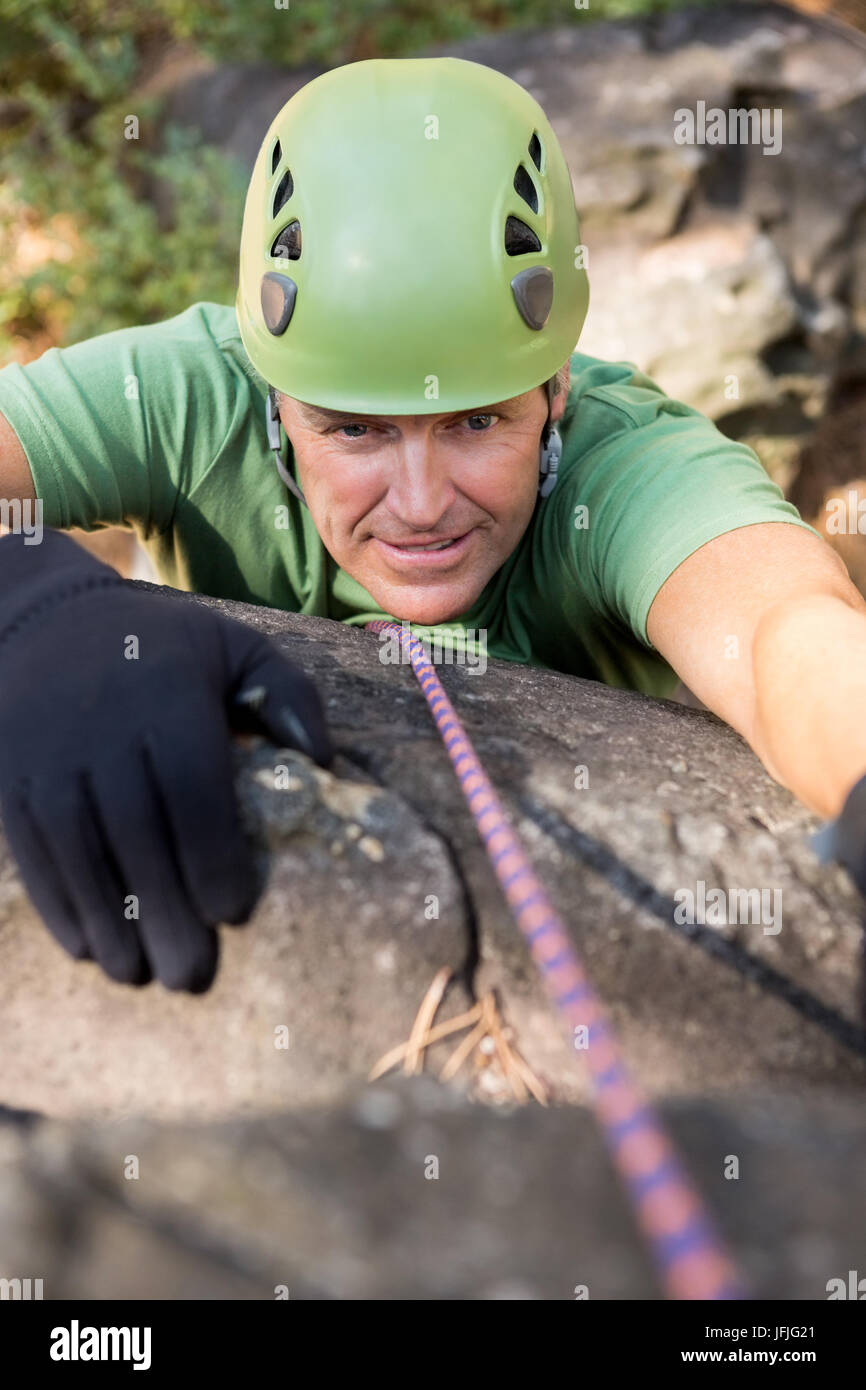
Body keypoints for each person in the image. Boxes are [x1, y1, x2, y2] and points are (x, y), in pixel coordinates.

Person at [1, 56, 864, 994]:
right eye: (354, 430)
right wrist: (37, 602)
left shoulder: (621, 465)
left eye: (477, 422)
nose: (420, 505)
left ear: (556, 389)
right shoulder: (189, 397)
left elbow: (788, 628)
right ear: (275, 395)